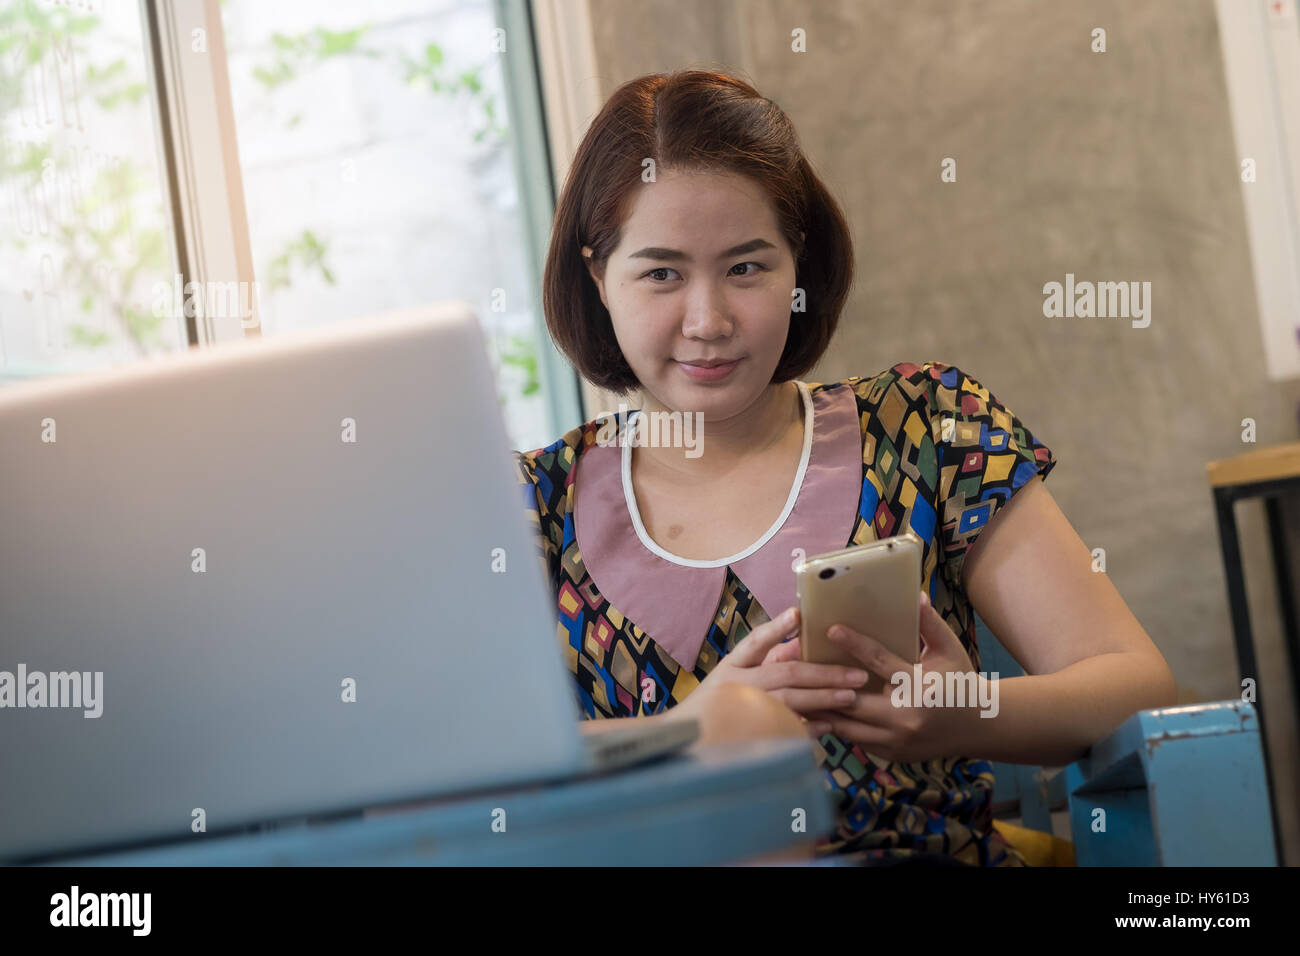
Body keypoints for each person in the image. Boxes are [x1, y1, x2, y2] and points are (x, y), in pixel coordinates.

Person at [513, 69, 1177, 866]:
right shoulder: (531, 505)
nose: (709, 320)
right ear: (596, 276)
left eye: (748, 267)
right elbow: (478, 782)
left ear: (800, 262)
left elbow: (1137, 687)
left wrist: (968, 710)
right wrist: (693, 733)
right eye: (661, 273)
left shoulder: (929, 423)